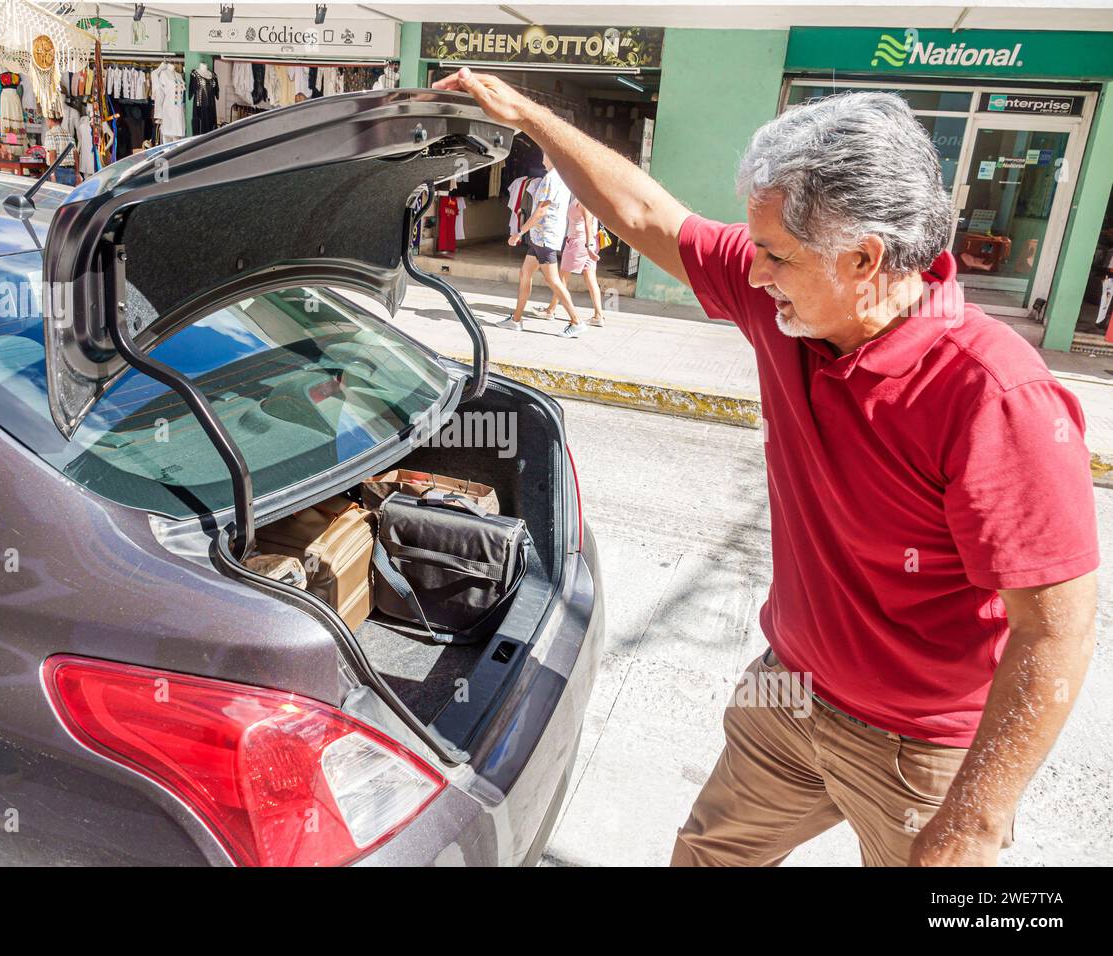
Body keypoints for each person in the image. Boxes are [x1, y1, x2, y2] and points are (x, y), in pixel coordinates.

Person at [436, 67, 1099, 867]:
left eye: (775, 256)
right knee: (705, 857)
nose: (751, 274)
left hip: (919, 752)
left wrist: (974, 821)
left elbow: (1054, 631)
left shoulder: (995, 396)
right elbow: (647, 213)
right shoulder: (789, 308)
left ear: (865, 259)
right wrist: (524, 115)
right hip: (784, 695)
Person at [493, 151, 583, 338]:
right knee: (525, 273)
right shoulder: (561, 178)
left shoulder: (551, 179)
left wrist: (520, 232)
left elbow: (541, 210)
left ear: (552, 157)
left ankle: (577, 321)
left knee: (553, 280)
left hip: (545, 237)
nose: (542, 156)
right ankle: (516, 320)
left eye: (544, 153)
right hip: (541, 237)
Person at [537, 196, 607, 327]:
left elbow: (588, 223)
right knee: (590, 278)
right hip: (587, 243)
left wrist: (588, 246)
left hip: (579, 243)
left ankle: (550, 310)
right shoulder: (585, 198)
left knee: (561, 279)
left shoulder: (584, 200)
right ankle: (598, 316)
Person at [42, 114, 77, 186]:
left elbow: (52, 153)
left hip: (58, 171)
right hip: (71, 171)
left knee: (57, 196)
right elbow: (75, 154)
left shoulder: (50, 133)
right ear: (61, 120)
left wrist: (52, 174)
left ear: (50, 120)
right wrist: (77, 173)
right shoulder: (68, 134)